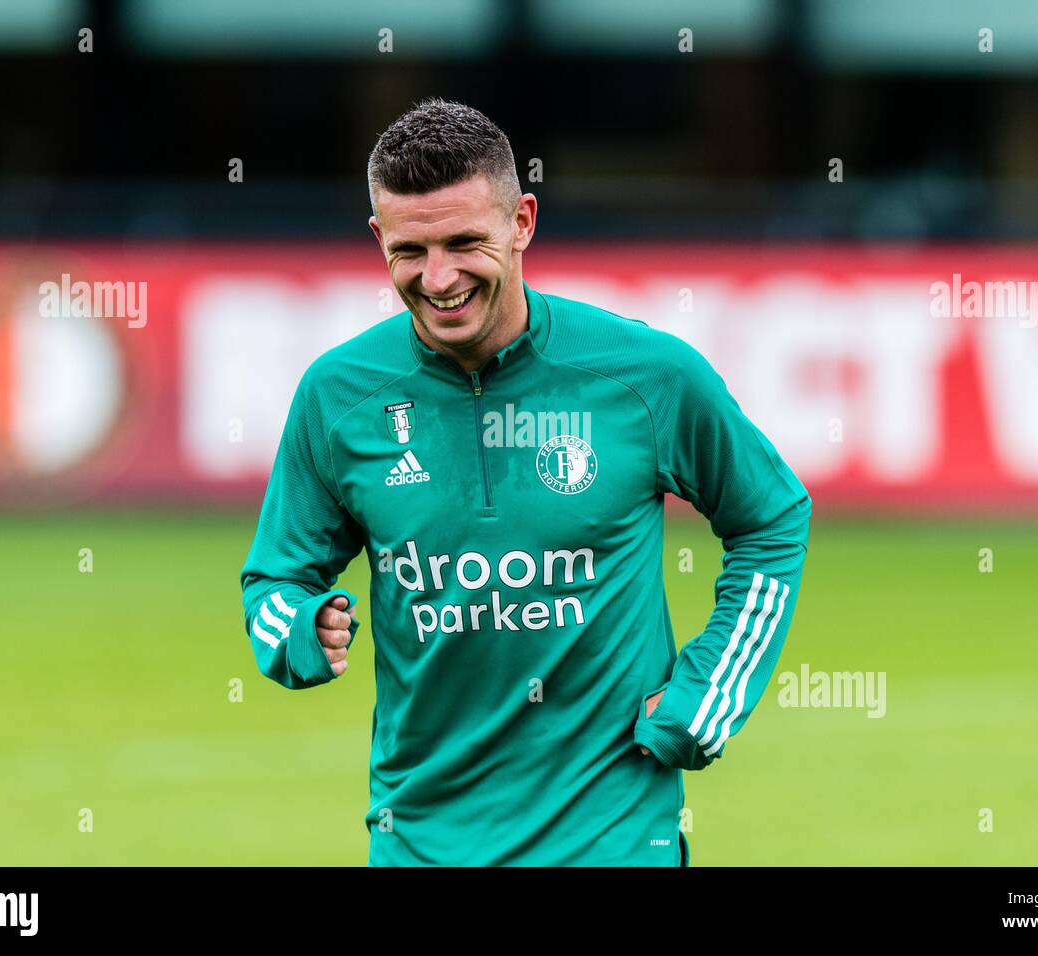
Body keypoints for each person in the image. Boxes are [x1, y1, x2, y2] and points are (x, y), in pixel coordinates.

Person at [239, 98, 811, 866]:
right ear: (378, 238)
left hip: (613, 840)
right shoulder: (339, 397)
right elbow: (275, 579)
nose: (438, 278)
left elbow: (770, 518)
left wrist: (710, 690)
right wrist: (297, 633)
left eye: (464, 242)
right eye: (410, 250)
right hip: (420, 843)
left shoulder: (644, 376)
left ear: (523, 224)